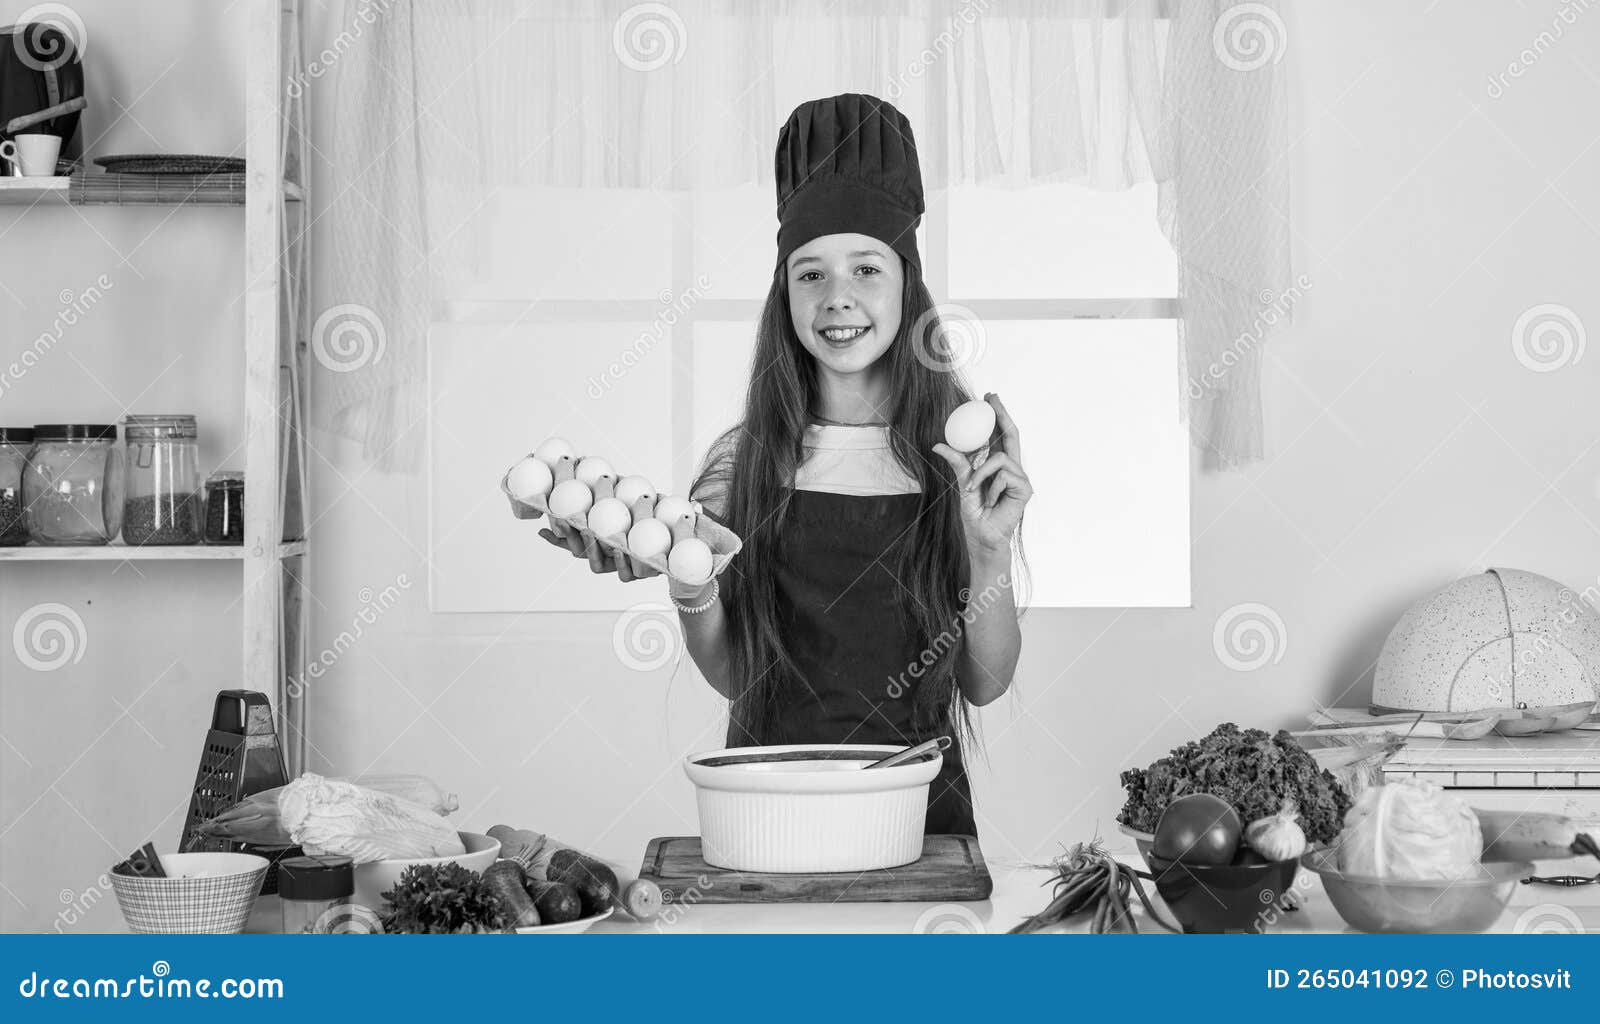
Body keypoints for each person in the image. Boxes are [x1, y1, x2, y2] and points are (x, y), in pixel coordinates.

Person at [541, 93, 1031, 836]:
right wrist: (689, 586)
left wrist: (990, 553)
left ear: (908, 284)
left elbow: (985, 683)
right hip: (767, 811)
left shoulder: (956, 465)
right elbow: (739, 676)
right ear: (784, 293)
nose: (838, 297)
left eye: (866, 268)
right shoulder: (745, 463)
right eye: (810, 273)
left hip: (921, 818)